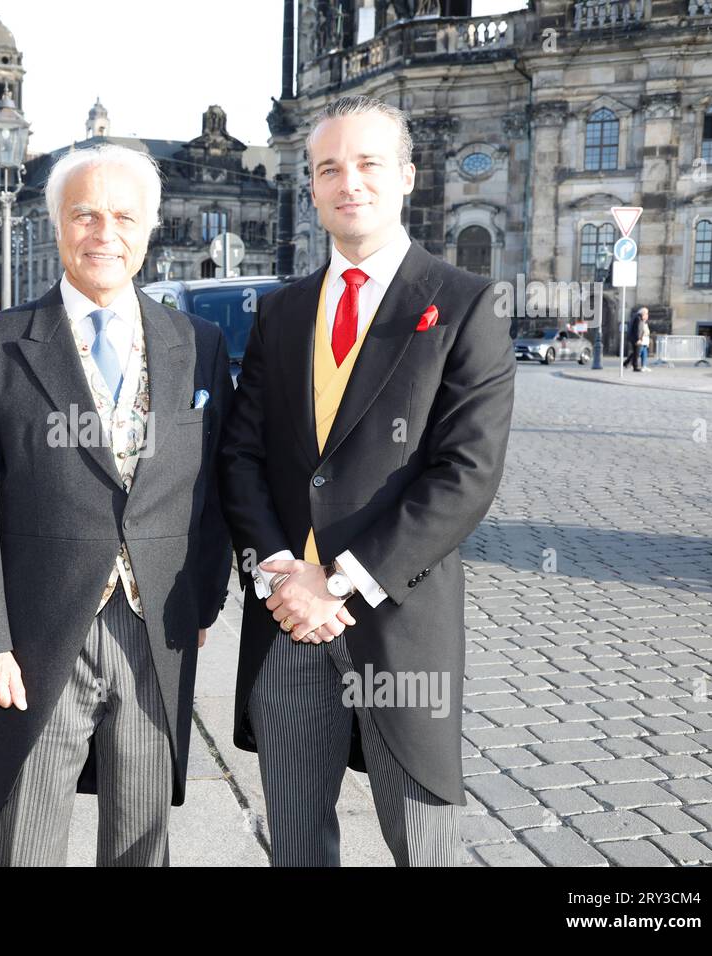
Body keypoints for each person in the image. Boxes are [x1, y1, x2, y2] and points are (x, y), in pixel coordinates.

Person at [218, 95, 517, 867]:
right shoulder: (282, 313)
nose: (348, 181)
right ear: (313, 188)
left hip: (398, 624)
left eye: (367, 163)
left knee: (423, 846)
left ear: (407, 176)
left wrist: (342, 581)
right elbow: (242, 456)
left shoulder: (462, 305)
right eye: (328, 168)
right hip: (286, 621)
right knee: (296, 844)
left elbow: (466, 475)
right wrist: (283, 573)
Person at [0, 143, 233, 866]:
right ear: (57, 226)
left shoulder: (197, 343)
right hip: (34, 634)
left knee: (142, 836)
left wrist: (200, 602)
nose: (106, 233)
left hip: (154, 628)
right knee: (23, 836)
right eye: (86, 215)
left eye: (124, 216)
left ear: (149, 229)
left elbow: (214, 485)